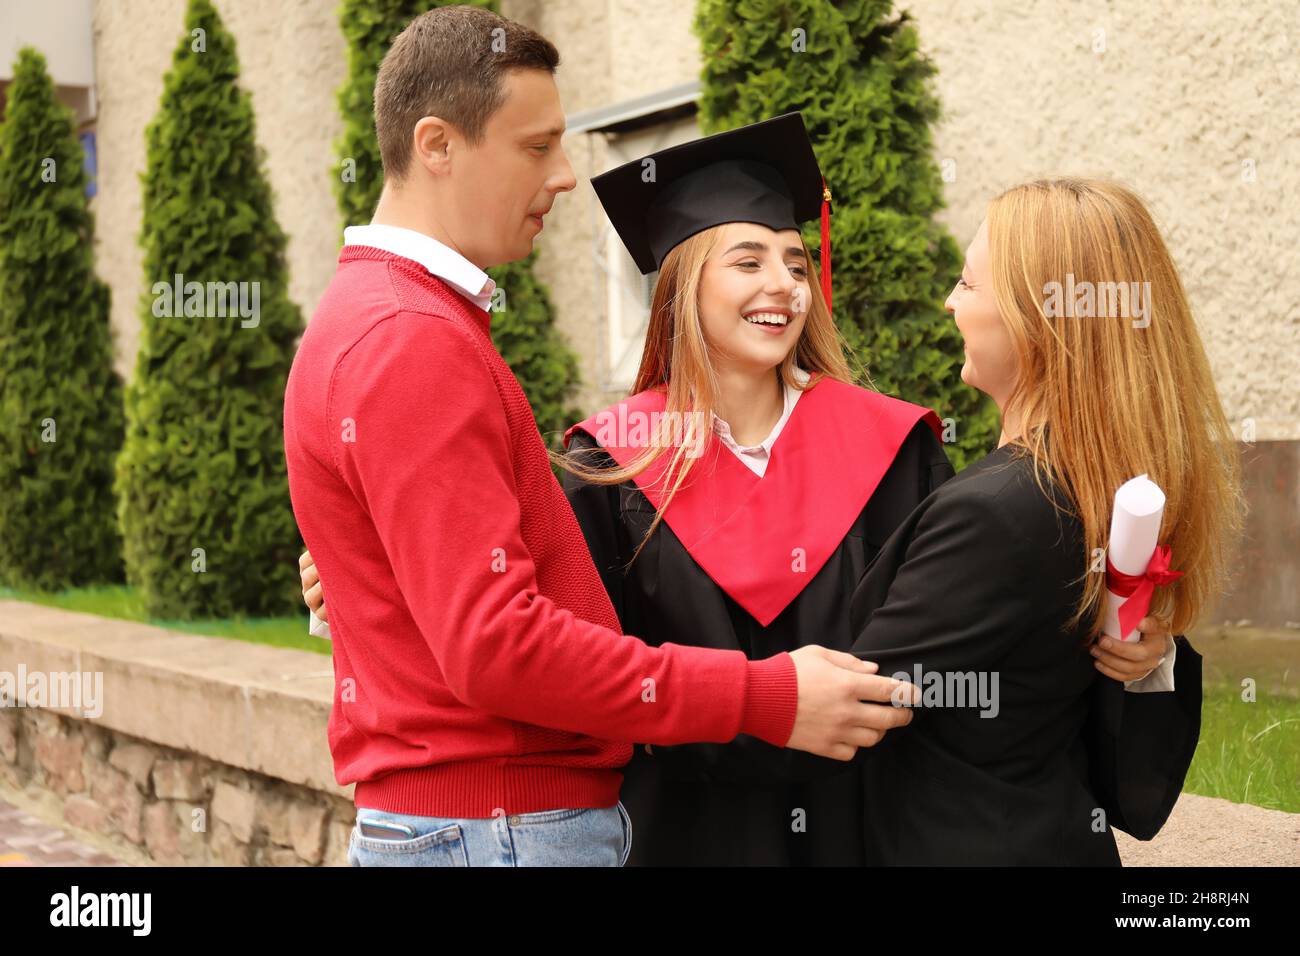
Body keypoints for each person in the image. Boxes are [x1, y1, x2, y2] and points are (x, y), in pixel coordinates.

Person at [301, 114, 1176, 865]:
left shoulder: (894, 446)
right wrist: (383, 579)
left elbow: (977, 660)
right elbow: (544, 641)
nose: (782, 287)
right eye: (747, 262)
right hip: (684, 833)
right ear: (682, 286)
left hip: (863, 829)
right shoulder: (611, 463)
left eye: (796, 264)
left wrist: (1147, 652)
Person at [282, 6, 907, 869]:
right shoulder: (409, 340)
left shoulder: (386, 319)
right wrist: (765, 694)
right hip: (497, 832)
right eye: (537, 147)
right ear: (438, 145)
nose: (569, 175)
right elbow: (498, 645)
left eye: (795, 261)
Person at [844, 178, 1240, 864]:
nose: (949, 303)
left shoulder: (1001, 509)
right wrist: (1145, 661)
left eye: (967, 284)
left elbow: (859, 701)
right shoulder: (1092, 483)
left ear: (1038, 318)